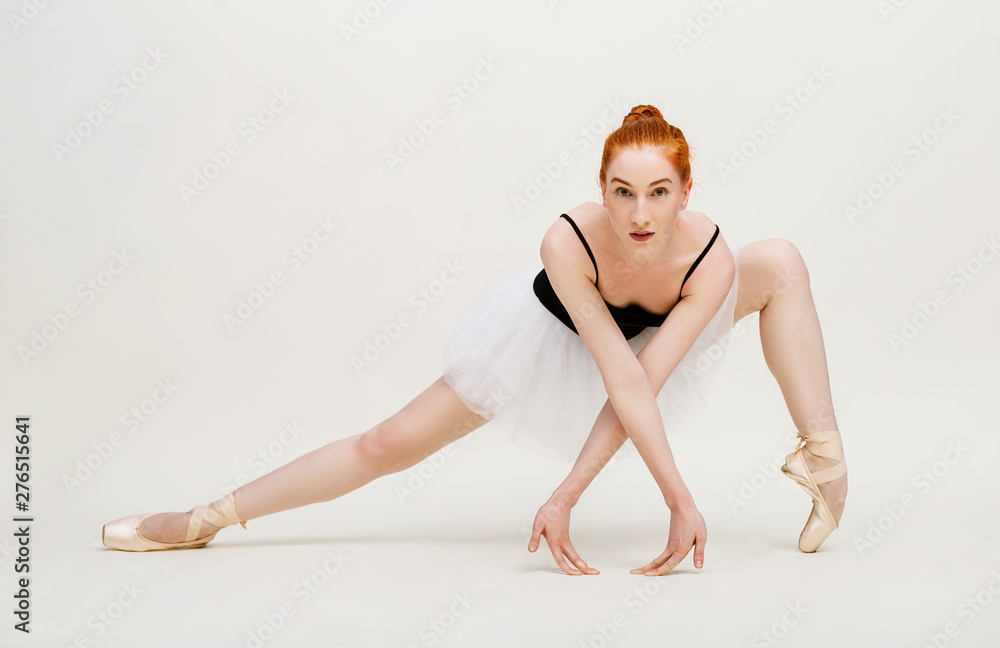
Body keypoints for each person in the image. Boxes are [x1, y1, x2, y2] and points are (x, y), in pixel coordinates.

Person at [102, 105, 848, 575]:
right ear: (600, 189)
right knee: (385, 443)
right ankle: (206, 518)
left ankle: (826, 458)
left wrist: (629, 497)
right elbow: (618, 377)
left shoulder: (711, 260)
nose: (640, 213)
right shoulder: (568, 241)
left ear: (688, 193)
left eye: (658, 193)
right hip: (548, 333)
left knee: (779, 261)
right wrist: (659, 497)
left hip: (648, 349)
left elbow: (642, 382)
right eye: (622, 191)